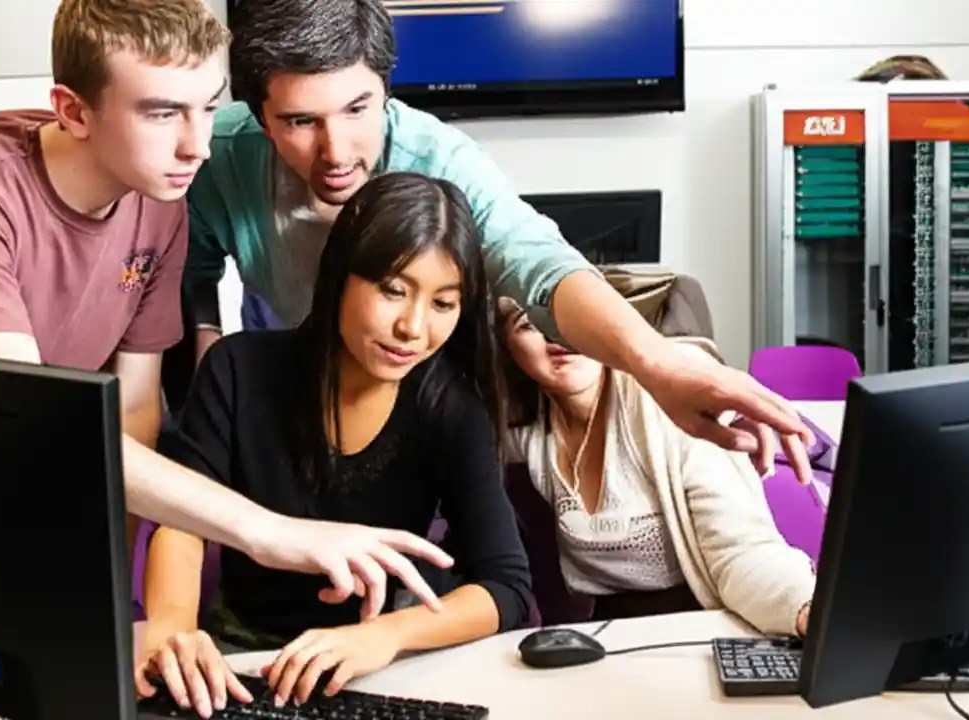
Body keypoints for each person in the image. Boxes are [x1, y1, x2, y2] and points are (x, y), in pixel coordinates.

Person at [0, 0, 456, 647]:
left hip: (49, 477)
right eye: (161, 112)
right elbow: (26, 414)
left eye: (207, 107)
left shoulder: (161, 199)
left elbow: (134, 411)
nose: (197, 145)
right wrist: (271, 531)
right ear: (72, 110)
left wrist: (115, 591)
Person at [180, 0, 816, 485]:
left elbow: (534, 260)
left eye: (357, 109)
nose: (337, 152)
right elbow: (193, 272)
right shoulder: (219, 156)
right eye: (300, 122)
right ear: (260, 116)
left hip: (420, 389)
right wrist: (211, 374)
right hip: (300, 378)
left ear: (385, 87)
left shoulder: (438, 157)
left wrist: (654, 362)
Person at [137, 173, 533, 717]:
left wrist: (385, 636)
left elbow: (505, 587)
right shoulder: (238, 369)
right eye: (393, 290)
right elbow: (181, 522)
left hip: (380, 659)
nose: (413, 328)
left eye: (444, 303)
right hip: (245, 655)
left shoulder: (451, 406)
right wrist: (173, 629)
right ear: (341, 273)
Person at [496, 296, 816, 637]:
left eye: (569, 316)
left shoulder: (667, 407)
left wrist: (809, 612)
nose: (555, 335)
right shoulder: (528, 430)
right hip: (601, 638)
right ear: (506, 346)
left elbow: (744, 550)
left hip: (698, 630)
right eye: (529, 324)